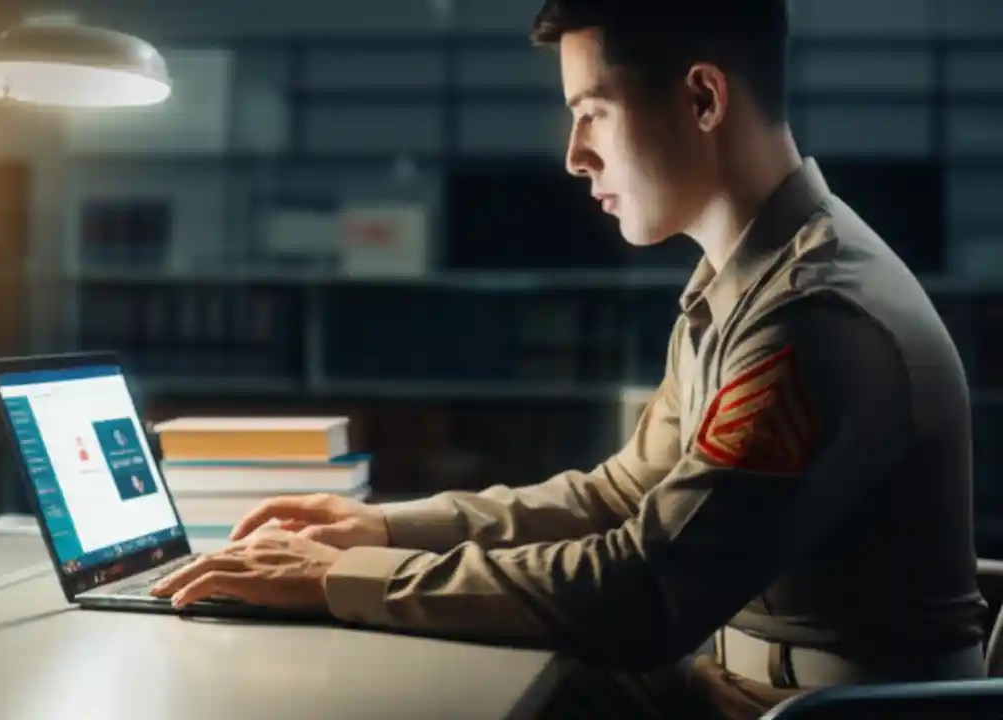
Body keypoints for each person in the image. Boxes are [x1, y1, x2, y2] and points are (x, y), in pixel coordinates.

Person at [152, 1, 989, 717]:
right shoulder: (742, 285)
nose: (573, 154)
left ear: (702, 97)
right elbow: (620, 497)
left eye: (593, 110)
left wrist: (346, 580)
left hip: (813, 715)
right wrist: (378, 528)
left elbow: (643, 591)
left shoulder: (813, 318)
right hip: (742, 688)